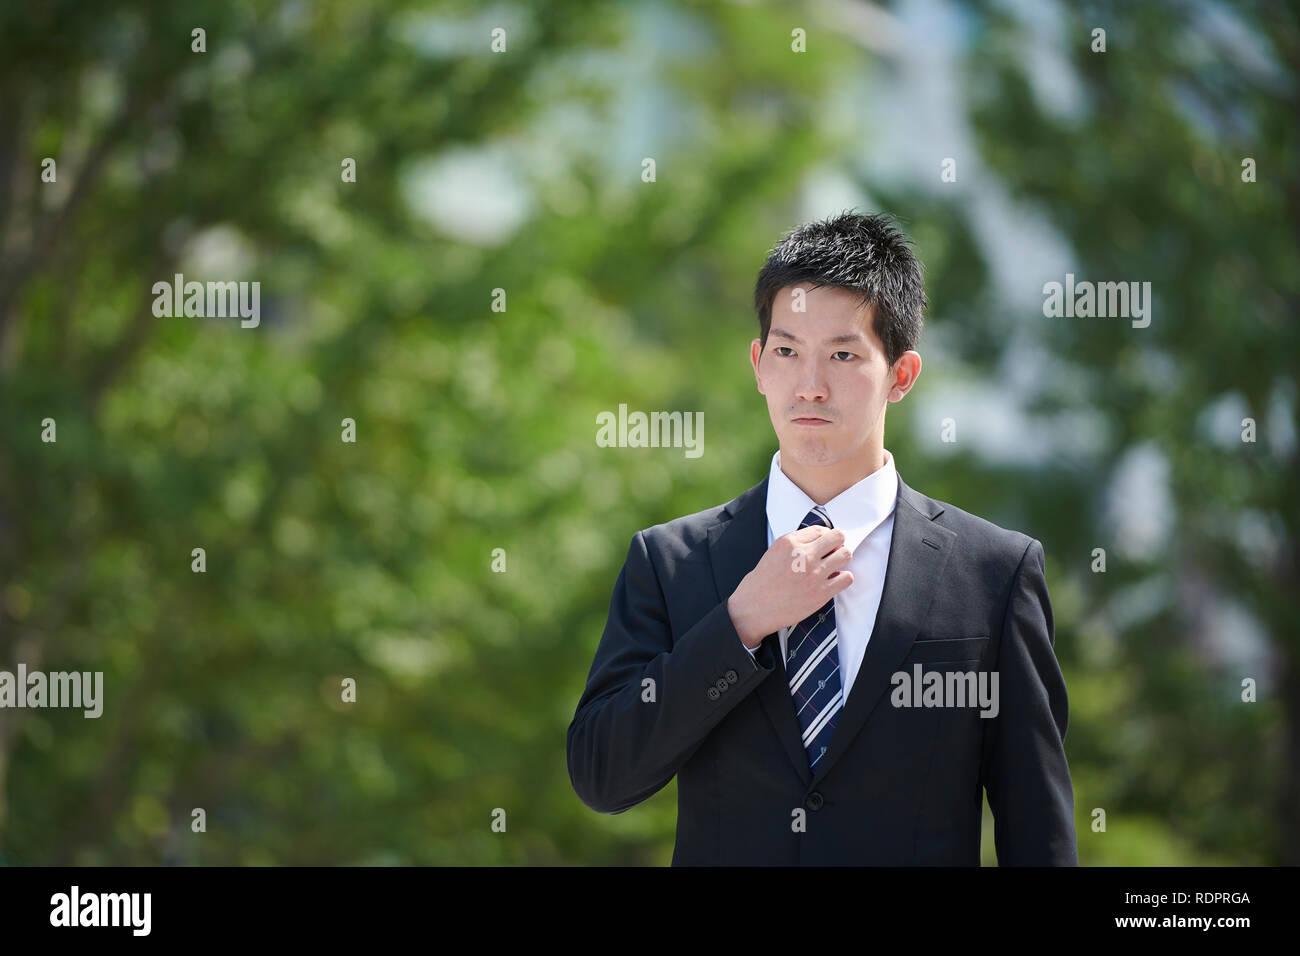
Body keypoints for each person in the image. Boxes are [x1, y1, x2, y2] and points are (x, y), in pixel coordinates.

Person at [566, 210, 1077, 865]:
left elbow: (1038, 831)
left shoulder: (993, 574)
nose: (809, 385)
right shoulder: (671, 562)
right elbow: (602, 776)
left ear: (901, 375)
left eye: (842, 354)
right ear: (757, 364)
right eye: (786, 351)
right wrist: (741, 624)